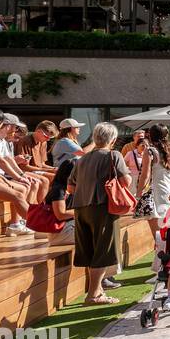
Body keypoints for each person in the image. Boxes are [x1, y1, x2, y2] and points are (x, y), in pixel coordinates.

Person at [67, 122, 132, 306]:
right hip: (103, 206)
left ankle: (97, 290)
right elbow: (125, 181)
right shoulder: (114, 155)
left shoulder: (82, 159)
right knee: (102, 250)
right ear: (112, 139)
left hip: (80, 207)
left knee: (90, 250)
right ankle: (94, 294)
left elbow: (70, 187)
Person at [144, 124, 170, 238]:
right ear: (167, 135)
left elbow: (145, 176)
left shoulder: (150, 151)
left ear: (150, 136)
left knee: (160, 236)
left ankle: (161, 255)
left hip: (160, 194)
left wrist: (139, 192)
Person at [39, 159, 77, 245]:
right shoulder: (58, 190)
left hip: (68, 228)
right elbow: (60, 215)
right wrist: (81, 212)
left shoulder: (68, 188)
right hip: (61, 233)